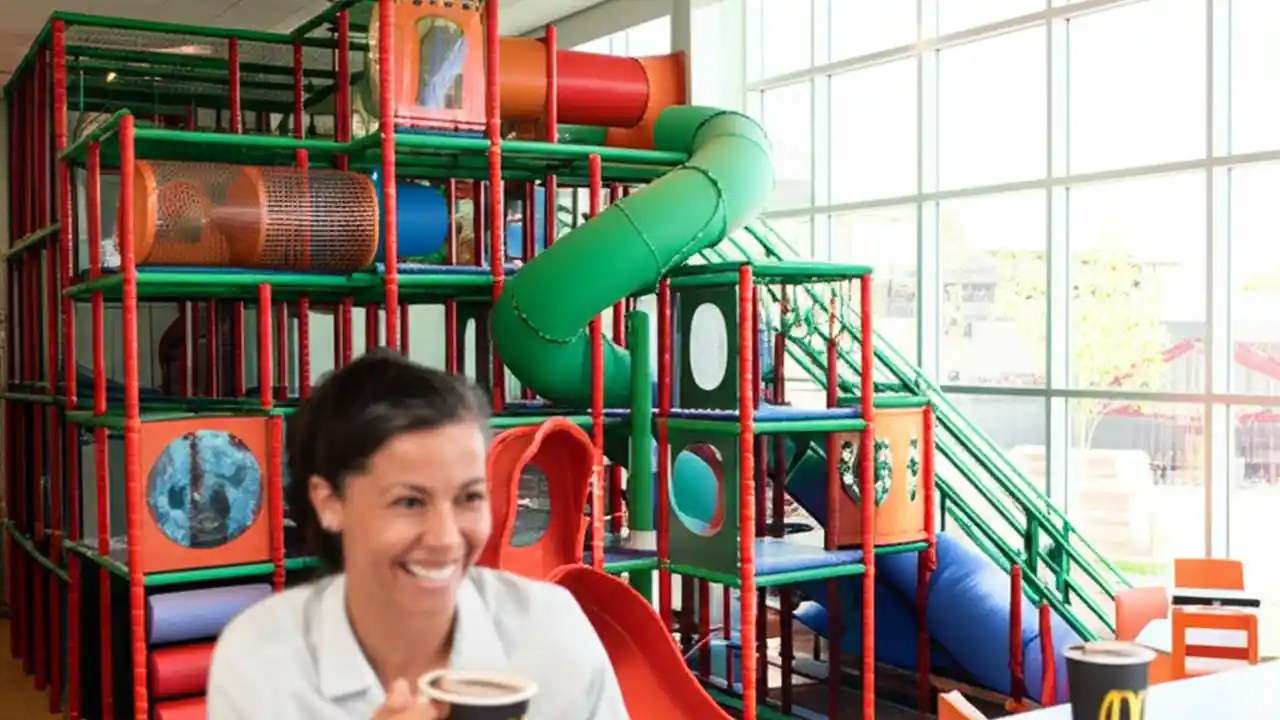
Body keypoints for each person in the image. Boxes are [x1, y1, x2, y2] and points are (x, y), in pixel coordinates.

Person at [206, 350, 628, 719]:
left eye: (469, 498)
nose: (445, 538)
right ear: (329, 502)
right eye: (409, 502)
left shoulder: (550, 631)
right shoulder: (262, 657)